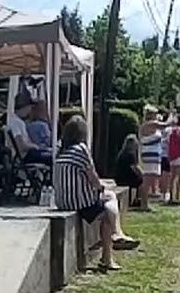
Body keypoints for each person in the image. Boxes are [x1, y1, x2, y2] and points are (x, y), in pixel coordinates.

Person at [52, 115, 138, 272]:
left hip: (61, 200)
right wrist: (102, 187)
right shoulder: (81, 150)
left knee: (106, 206)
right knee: (109, 202)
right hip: (79, 201)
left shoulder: (60, 152)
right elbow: (93, 179)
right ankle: (114, 240)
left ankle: (115, 238)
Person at [7, 92, 53, 167]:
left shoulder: (17, 121)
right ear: (25, 107)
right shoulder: (15, 123)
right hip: (26, 156)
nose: (30, 110)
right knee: (52, 157)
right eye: (30, 107)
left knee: (51, 153)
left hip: (27, 155)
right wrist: (34, 146)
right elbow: (20, 145)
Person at [136, 105, 164, 210]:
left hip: (153, 155)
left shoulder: (149, 125)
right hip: (149, 155)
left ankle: (145, 203)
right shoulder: (150, 124)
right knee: (147, 179)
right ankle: (144, 204)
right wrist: (172, 114)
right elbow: (166, 125)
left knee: (150, 178)